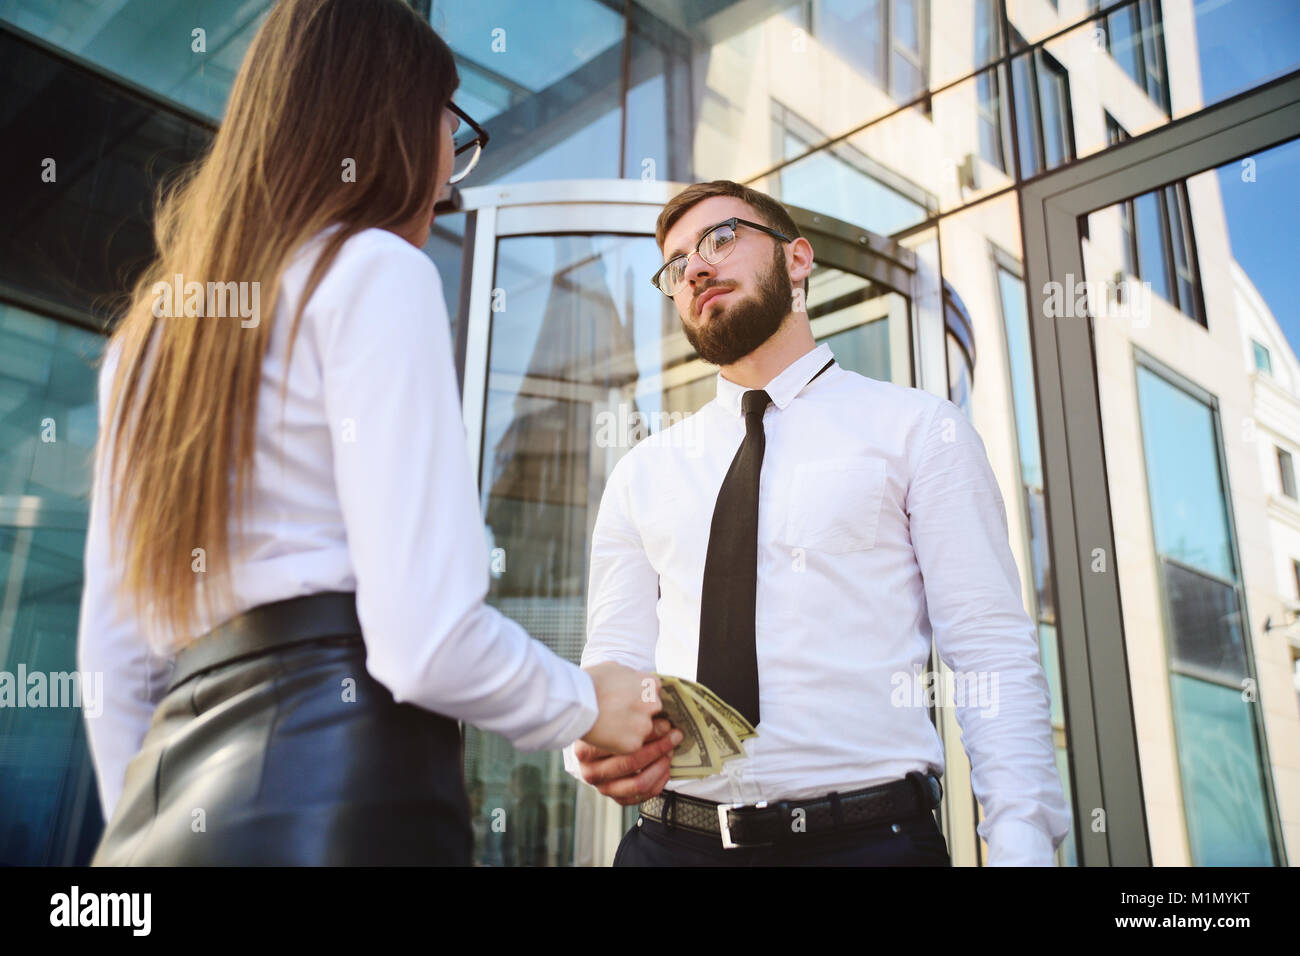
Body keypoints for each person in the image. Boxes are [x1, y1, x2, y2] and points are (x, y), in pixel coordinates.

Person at [77, 0, 658, 866]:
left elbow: (113, 660)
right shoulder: (377, 271)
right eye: (447, 123)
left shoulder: (151, 338)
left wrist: (152, 821)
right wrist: (588, 701)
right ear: (387, 121)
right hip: (344, 796)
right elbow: (426, 644)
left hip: (163, 815)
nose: (448, 168)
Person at [566, 180, 1073, 866]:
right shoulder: (642, 472)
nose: (695, 268)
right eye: (676, 264)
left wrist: (1022, 843)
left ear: (797, 260)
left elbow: (988, 649)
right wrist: (589, 739)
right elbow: (616, 661)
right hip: (668, 845)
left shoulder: (920, 431)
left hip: (866, 844)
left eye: (721, 238)